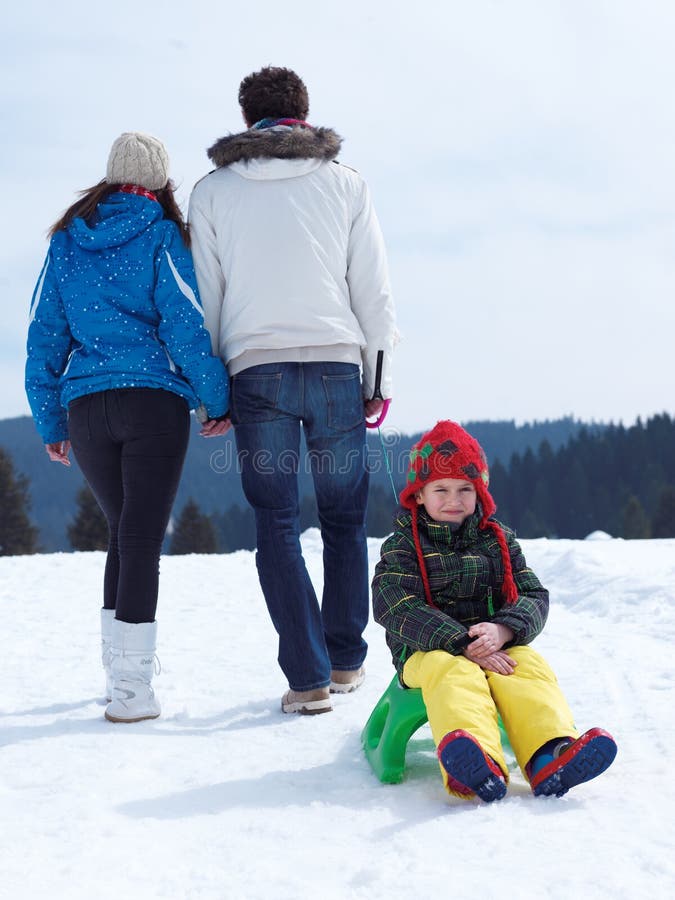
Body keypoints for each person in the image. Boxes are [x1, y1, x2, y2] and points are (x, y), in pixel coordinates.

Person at [189, 66, 397, 715]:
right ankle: (343, 662)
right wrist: (377, 378)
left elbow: (208, 300)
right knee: (342, 518)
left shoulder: (213, 190)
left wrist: (212, 393)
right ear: (303, 113)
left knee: (275, 522)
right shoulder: (345, 184)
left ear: (246, 116)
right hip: (337, 365)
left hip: (256, 372)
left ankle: (306, 678)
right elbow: (373, 289)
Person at [25, 132, 230, 724]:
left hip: (87, 409)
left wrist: (50, 419)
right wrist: (216, 399)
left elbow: (44, 337)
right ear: (161, 181)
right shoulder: (163, 235)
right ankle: (132, 691)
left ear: (110, 177)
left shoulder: (67, 242)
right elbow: (185, 326)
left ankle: (118, 674)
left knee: (123, 532)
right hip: (151, 405)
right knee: (139, 537)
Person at [372, 420, 617, 801]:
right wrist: (460, 642)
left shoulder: (497, 538)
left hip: (496, 644)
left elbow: (532, 593)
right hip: (427, 650)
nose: (454, 499)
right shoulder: (403, 545)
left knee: (529, 666)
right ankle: (478, 761)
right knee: (453, 673)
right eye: (441, 489)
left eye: (465, 489)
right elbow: (394, 603)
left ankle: (549, 755)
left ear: (479, 492)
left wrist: (503, 631)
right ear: (418, 494)